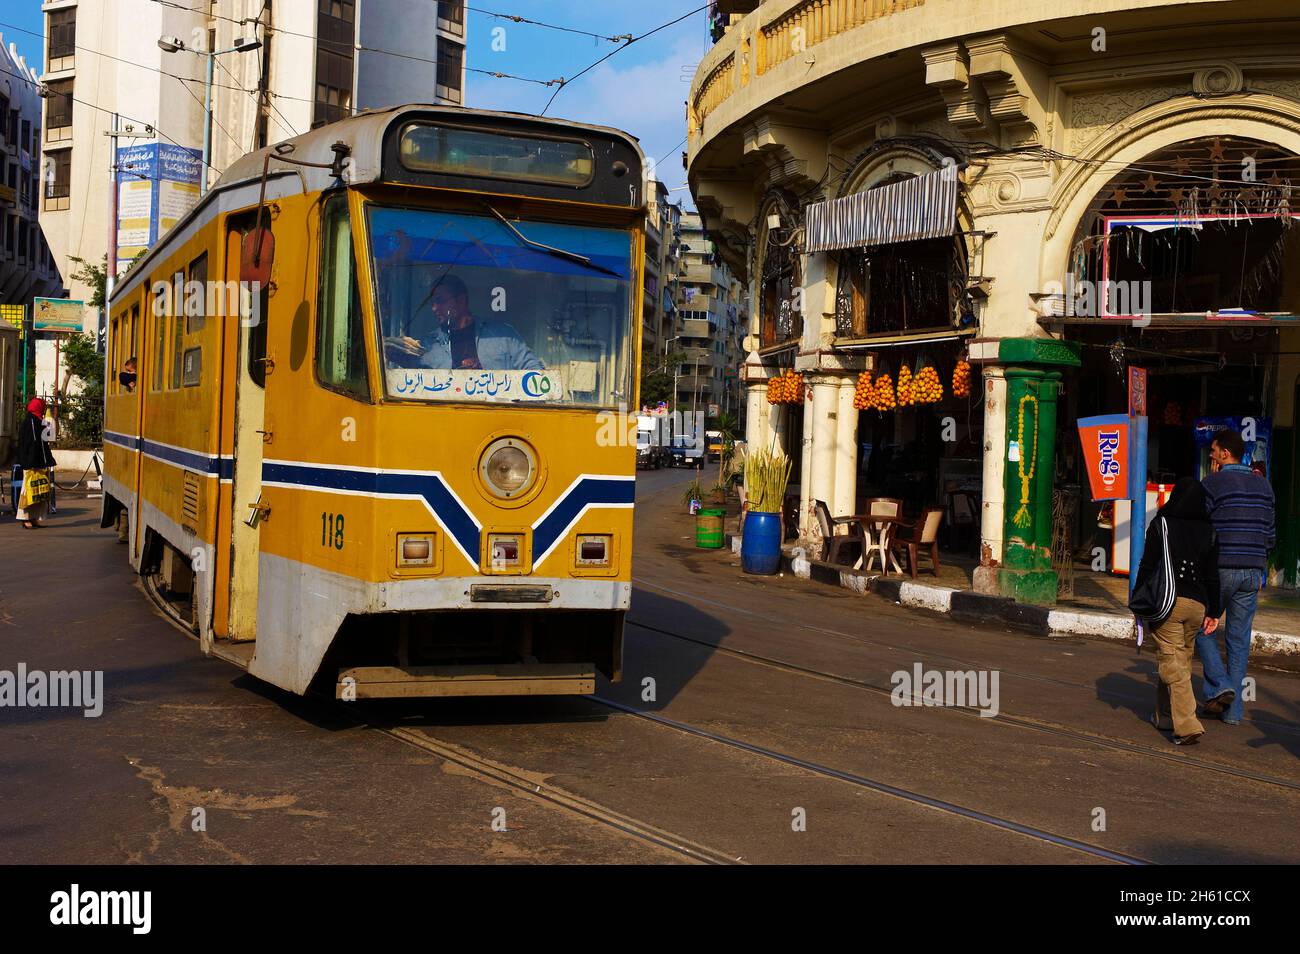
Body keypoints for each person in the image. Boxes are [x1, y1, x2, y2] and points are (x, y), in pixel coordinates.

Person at [1197, 428, 1276, 726]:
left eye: (1214, 452)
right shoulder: (1264, 486)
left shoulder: (1213, 484)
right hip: (1252, 571)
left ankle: (1220, 685)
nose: (1212, 457)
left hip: (1221, 569)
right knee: (1239, 640)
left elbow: (1203, 528)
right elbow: (1270, 533)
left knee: (1200, 626)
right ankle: (1234, 713)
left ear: (1225, 454)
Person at [1134, 478, 1221, 745]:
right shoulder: (1210, 530)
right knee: (1177, 659)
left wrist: (1137, 601)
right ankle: (1165, 717)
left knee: (1172, 661)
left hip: (1169, 602)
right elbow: (1212, 576)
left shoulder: (1161, 524)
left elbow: (1148, 566)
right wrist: (1214, 611)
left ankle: (1187, 725)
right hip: (1197, 606)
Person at [384, 275, 543, 372]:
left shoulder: (503, 336)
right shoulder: (426, 346)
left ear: (461, 300)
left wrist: (485, 375)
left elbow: (535, 372)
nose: (434, 308)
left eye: (440, 301)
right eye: (432, 303)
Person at [16, 397, 57, 529]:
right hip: (31, 463)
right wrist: (29, 462)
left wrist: (49, 422)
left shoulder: (39, 420)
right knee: (27, 491)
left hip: (39, 462)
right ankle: (25, 518)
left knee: (39, 491)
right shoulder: (30, 422)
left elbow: (48, 438)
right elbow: (29, 444)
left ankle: (34, 518)